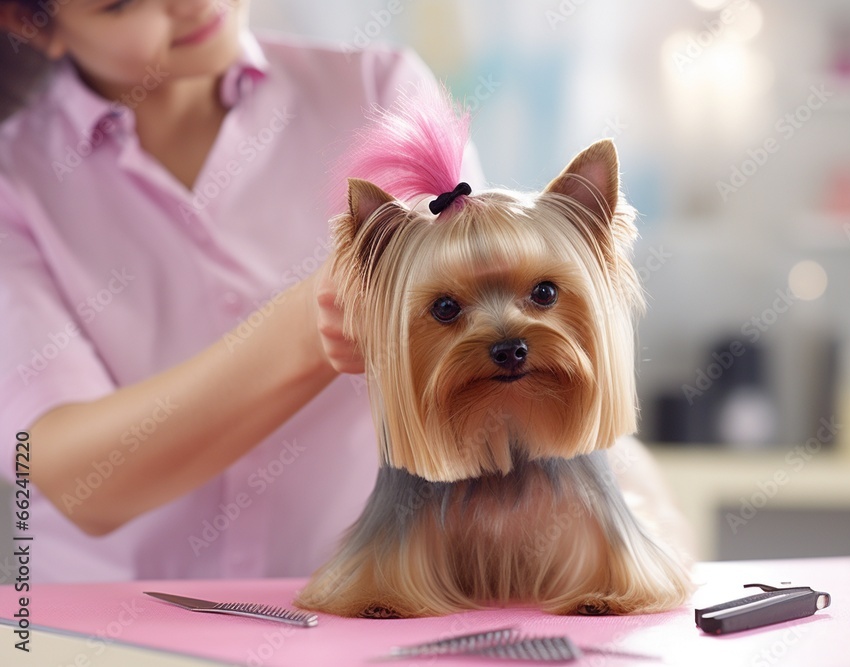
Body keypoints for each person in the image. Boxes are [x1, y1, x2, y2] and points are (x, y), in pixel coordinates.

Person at [0, 0, 691, 583]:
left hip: (379, 605)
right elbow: (70, 473)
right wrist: (309, 325)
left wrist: (631, 515)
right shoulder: (16, 180)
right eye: (123, 0)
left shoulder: (377, 93)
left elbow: (494, 397)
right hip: (115, 629)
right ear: (33, 23)